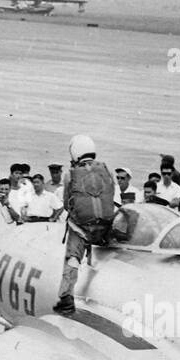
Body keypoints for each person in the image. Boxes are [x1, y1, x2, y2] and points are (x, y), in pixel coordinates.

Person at [55, 134, 117, 315]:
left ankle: (66, 299)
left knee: (72, 259)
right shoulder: (107, 170)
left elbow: (67, 204)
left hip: (82, 229)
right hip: (105, 227)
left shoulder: (70, 175)